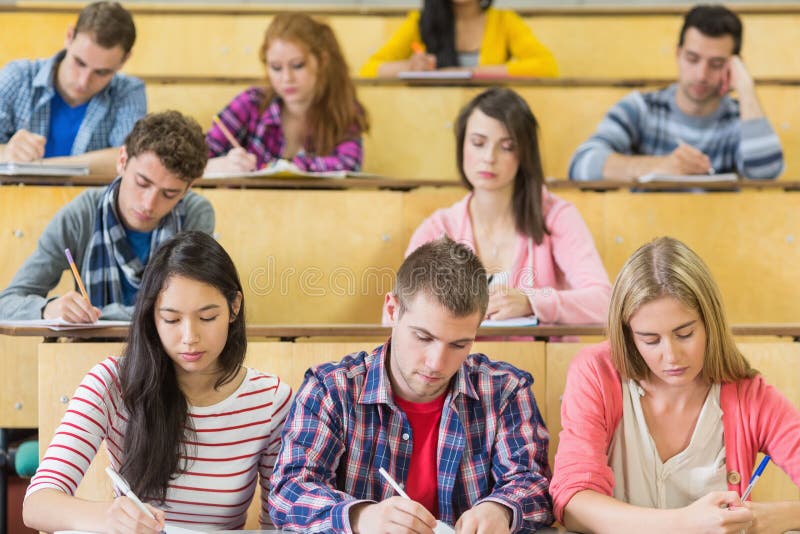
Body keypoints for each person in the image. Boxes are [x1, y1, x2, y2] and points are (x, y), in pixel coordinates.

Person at [270, 237, 553, 533]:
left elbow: (534, 484)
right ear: (392, 310)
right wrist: (360, 517)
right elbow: (288, 491)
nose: (437, 363)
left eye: (459, 344)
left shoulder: (505, 391)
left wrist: (501, 509)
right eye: (423, 337)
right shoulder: (331, 389)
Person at [23, 231, 294, 532]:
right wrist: (108, 517)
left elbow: (279, 524)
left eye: (207, 317)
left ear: (234, 307)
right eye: (171, 319)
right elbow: (37, 504)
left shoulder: (271, 401)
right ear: (151, 316)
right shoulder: (112, 383)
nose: (190, 337)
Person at [550, 236, 800, 533]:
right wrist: (685, 523)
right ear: (628, 335)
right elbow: (573, 502)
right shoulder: (596, 372)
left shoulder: (748, 395)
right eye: (650, 340)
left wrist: (781, 515)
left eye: (684, 334)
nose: (671, 356)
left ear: (710, 323)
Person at [402, 88, 610, 324]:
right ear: (462, 146)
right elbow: (400, 313)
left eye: (507, 147)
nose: (489, 157)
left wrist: (532, 302)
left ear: (524, 154)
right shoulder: (438, 229)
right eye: (478, 143)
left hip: (540, 349)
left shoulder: (557, 216)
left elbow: (603, 302)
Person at [0, 110, 214, 322]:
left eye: (169, 194)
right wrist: (48, 309)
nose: (148, 204)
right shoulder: (80, 215)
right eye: (142, 183)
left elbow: (193, 304)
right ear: (122, 160)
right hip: (90, 345)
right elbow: (7, 303)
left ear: (188, 188)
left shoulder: (195, 214)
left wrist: (102, 315)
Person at [569, 5, 784, 182]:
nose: (701, 75)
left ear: (734, 65)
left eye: (717, 64)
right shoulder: (640, 108)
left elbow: (766, 173)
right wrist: (660, 166)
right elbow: (581, 165)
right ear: (678, 54)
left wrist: (746, 88)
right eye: (692, 59)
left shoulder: (741, 119)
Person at [206, 12, 369, 174]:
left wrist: (284, 167)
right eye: (276, 68)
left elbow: (349, 164)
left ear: (321, 61)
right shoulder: (250, 103)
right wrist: (218, 165)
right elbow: (197, 160)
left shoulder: (343, 109)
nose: (287, 78)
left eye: (297, 65)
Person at [0, 1, 146, 176]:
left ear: (124, 60)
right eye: (79, 63)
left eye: (101, 72)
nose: (83, 81)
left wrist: (41, 167)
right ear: (69, 37)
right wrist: (5, 153)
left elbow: (130, 159)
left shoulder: (129, 91)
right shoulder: (18, 77)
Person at [360, 0, 558, 78]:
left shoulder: (504, 21)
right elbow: (369, 70)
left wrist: (470, 73)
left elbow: (546, 67)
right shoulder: (420, 21)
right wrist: (409, 66)